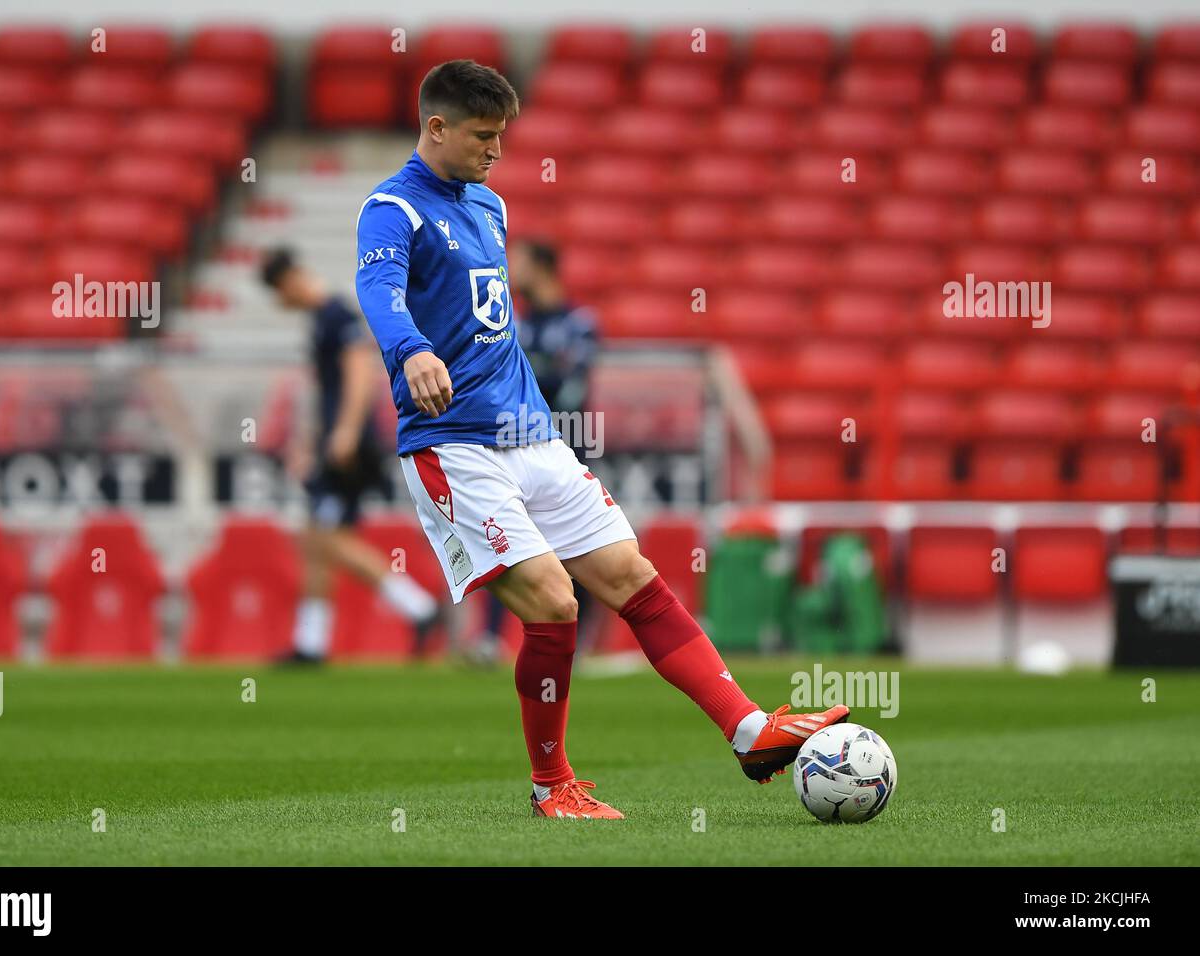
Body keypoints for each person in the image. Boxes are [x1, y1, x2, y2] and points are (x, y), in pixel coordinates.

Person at [354, 59, 848, 819]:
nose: (496, 151)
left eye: (503, 138)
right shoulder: (392, 208)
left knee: (631, 577)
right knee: (554, 602)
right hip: (454, 447)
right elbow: (378, 291)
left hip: (533, 436)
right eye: (483, 137)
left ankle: (749, 731)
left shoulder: (490, 207)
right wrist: (411, 350)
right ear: (436, 128)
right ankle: (552, 784)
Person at [260, 248, 442, 661]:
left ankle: (419, 608)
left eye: (278, 292)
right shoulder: (323, 320)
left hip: (351, 443)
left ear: (289, 282)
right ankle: (311, 642)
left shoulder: (335, 316)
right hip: (339, 439)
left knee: (326, 538)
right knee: (315, 539)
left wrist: (344, 433)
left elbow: (360, 372)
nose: (280, 303)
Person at [468, 239, 600, 665]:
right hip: (509, 446)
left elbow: (568, 385)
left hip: (565, 446)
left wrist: (525, 375)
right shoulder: (513, 324)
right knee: (505, 538)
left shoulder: (580, 323)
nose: (509, 269)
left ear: (542, 267)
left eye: (518, 262)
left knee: (577, 550)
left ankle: (578, 643)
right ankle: (490, 638)